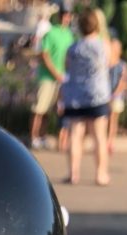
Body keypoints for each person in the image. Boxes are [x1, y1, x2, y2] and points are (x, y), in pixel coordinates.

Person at [60, 8, 110, 185]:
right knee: (99, 136)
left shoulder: (73, 48)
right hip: (97, 95)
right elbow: (109, 63)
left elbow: (66, 68)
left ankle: (73, 173)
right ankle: (100, 173)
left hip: (75, 96)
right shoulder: (103, 46)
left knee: (75, 135)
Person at [30, 7, 72, 151]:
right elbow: (45, 55)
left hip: (62, 78)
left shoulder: (69, 34)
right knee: (39, 109)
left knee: (48, 110)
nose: (66, 18)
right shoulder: (50, 33)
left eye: (68, 16)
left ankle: (42, 136)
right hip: (47, 77)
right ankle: (34, 137)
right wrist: (55, 73)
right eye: (64, 16)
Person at [107, 33, 127, 153]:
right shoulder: (107, 64)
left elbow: (122, 82)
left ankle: (110, 141)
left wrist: (114, 94)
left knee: (113, 119)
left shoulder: (122, 65)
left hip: (116, 96)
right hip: (106, 95)